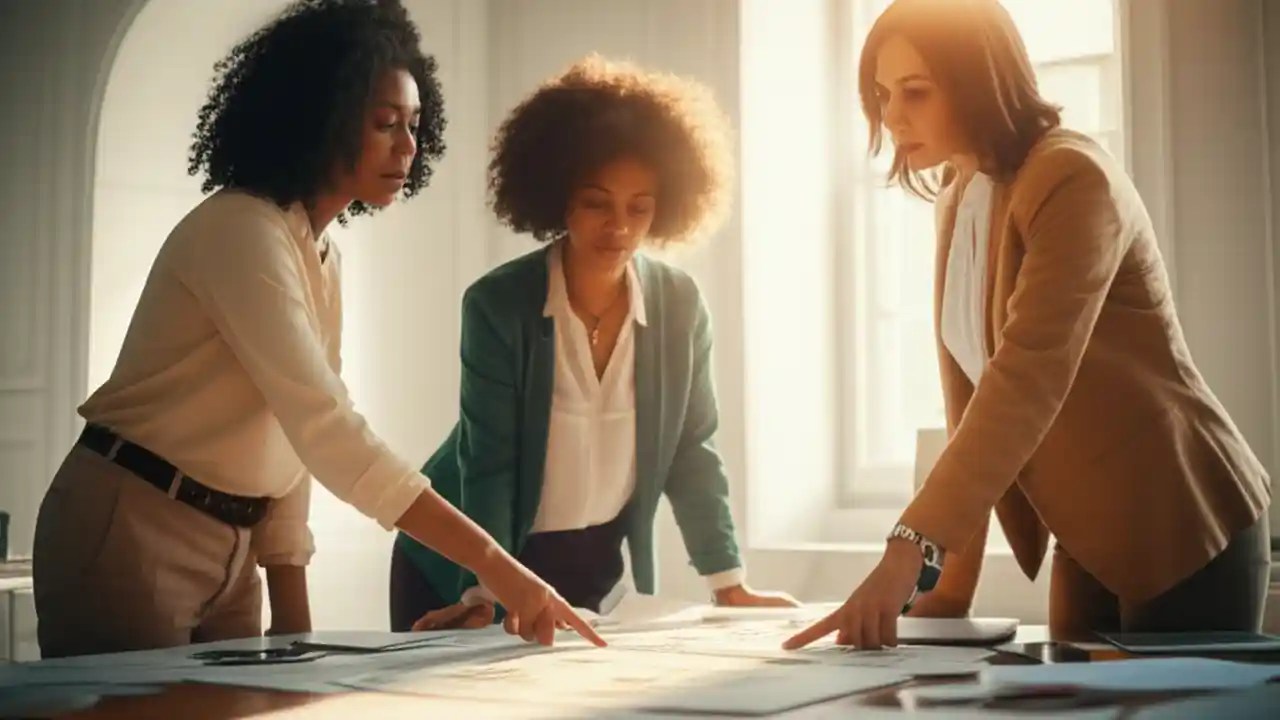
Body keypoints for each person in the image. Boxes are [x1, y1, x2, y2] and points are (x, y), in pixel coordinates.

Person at [32, 0, 601, 658]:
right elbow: (326, 428)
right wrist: (502, 569)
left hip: (234, 544)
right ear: (319, 119)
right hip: (131, 525)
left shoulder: (322, 254)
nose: (409, 147)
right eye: (385, 123)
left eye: (416, 125)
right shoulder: (241, 230)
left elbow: (291, 442)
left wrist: (293, 617)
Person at [787, 0, 1271, 651]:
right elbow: (973, 408)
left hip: (1179, 519)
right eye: (880, 93)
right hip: (1087, 531)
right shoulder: (962, 194)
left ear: (979, 77)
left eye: (916, 91)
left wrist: (908, 544)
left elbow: (1027, 377)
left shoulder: (1072, 178)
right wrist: (943, 594)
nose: (891, 116)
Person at [390, 56, 798, 633]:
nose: (619, 227)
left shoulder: (680, 305)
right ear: (559, 197)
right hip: (460, 567)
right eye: (596, 202)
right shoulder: (496, 305)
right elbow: (488, 462)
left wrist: (728, 583)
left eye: (639, 207)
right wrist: (482, 592)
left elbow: (693, 450)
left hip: (593, 567)